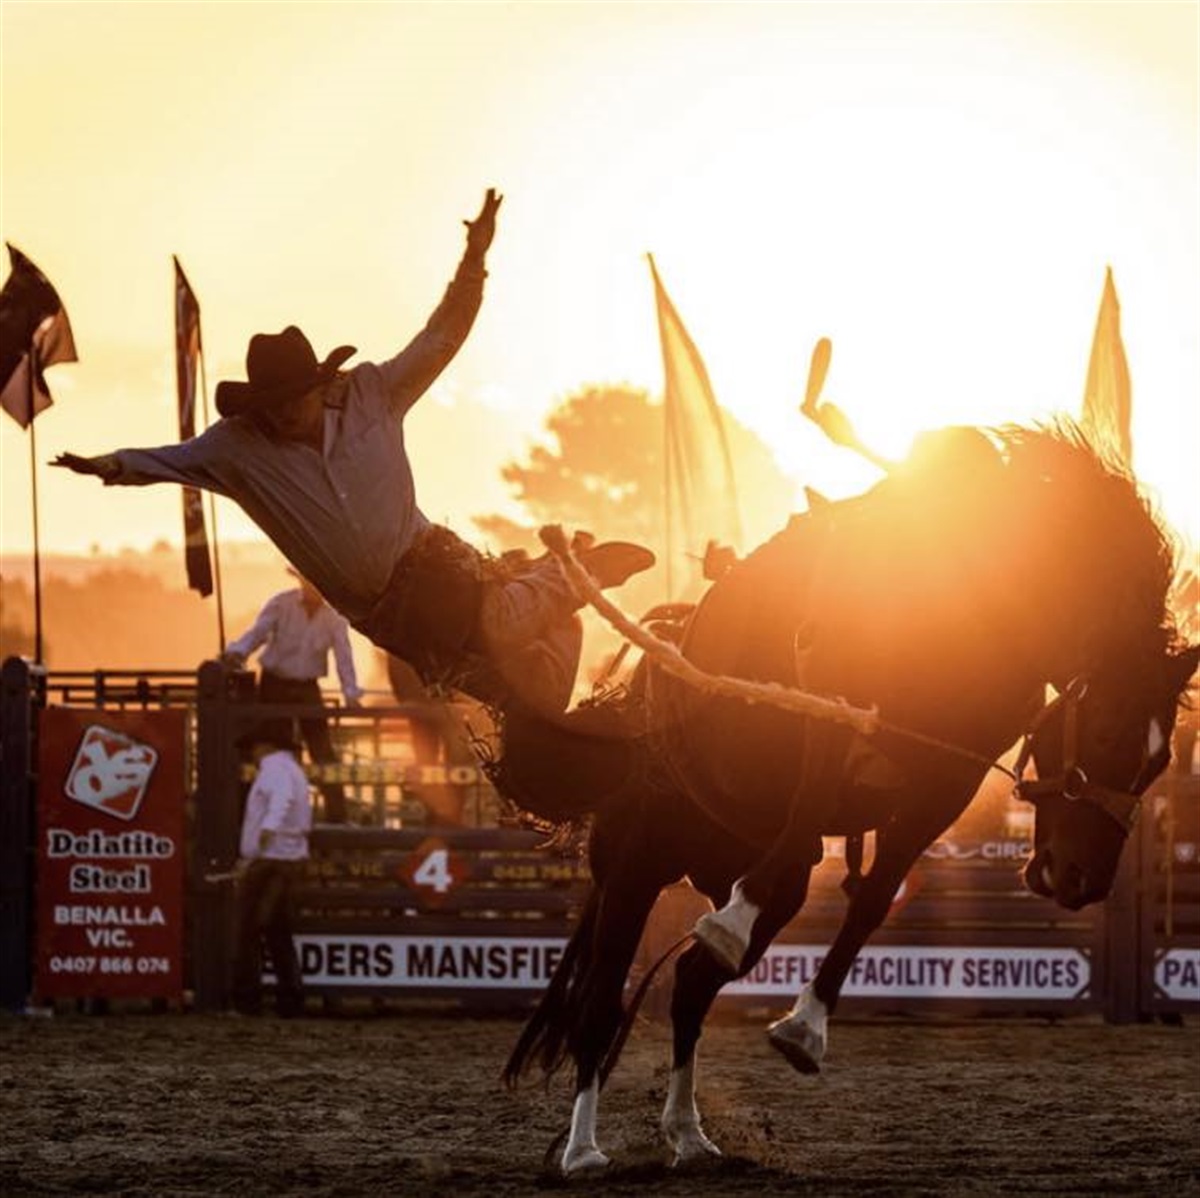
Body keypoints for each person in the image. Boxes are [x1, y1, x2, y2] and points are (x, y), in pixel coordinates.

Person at [52, 188, 653, 714]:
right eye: (273, 403)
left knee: (498, 623)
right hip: (386, 614)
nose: (284, 412)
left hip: (432, 568)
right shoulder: (237, 451)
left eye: (293, 398)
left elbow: (440, 338)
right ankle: (557, 589)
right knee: (516, 688)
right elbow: (166, 460)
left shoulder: (372, 396)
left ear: (320, 386)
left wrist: (474, 260)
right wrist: (106, 465)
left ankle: (574, 571)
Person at [225, 569, 362, 822]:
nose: (313, 588)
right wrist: (238, 652)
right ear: (301, 581)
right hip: (274, 684)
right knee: (276, 749)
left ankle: (337, 817)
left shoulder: (334, 616)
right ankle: (270, 812)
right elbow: (258, 633)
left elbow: (344, 656)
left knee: (322, 751)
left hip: (306, 686)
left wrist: (350, 693)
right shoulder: (282, 604)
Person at [231, 718, 313, 1018]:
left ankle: (248, 1000)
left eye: (253, 747)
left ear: (263, 746)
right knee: (277, 930)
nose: (251, 753)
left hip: (270, 860)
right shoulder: (291, 769)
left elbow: (280, 801)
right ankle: (290, 999)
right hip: (287, 858)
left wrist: (264, 834)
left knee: (247, 929)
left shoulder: (274, 769)